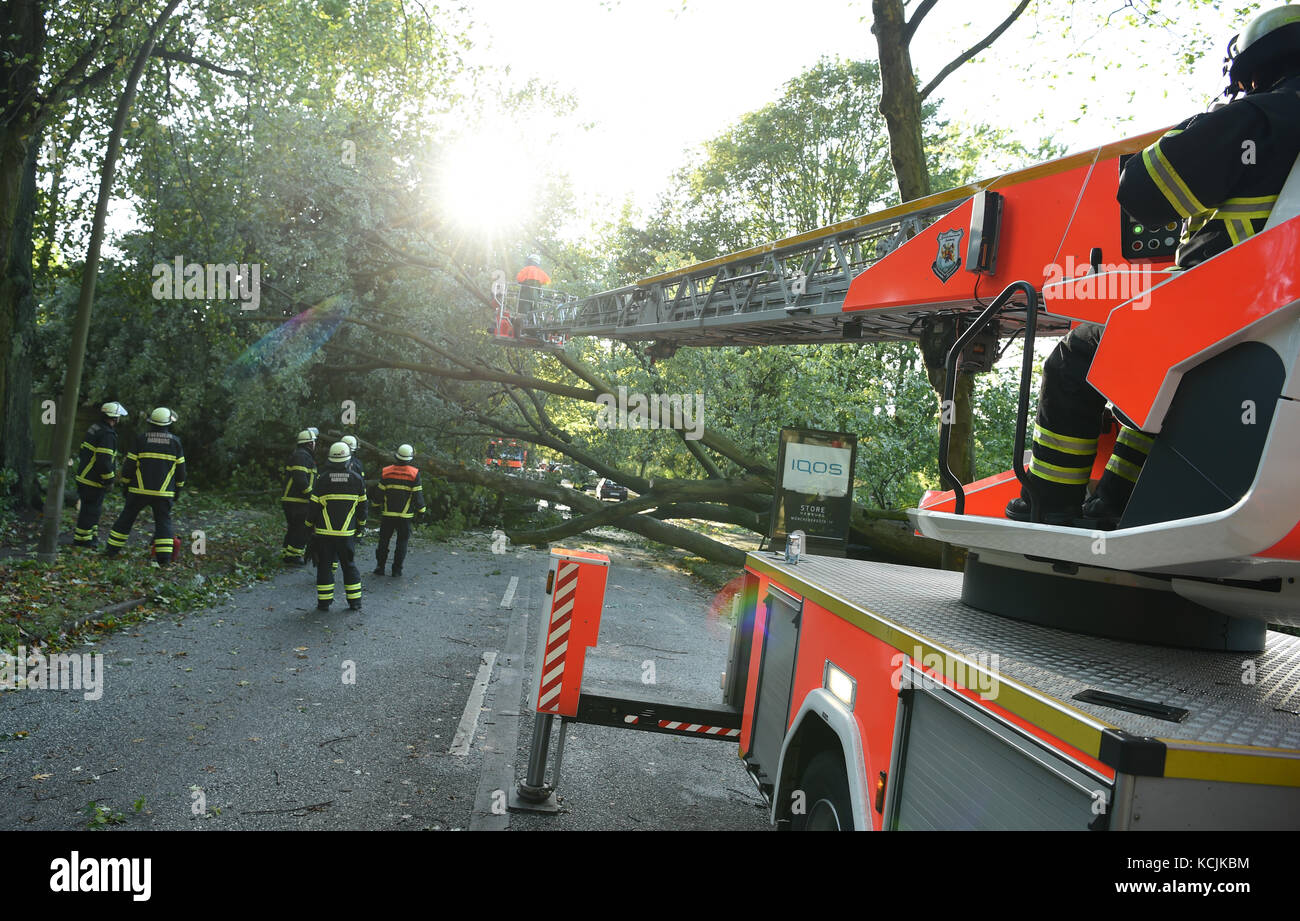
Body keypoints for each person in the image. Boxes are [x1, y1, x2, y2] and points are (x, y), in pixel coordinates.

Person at [1008, 5, 1300, 527]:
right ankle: (1116, 504)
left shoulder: (1259, 117)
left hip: (1228, 314)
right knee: (1155, 380)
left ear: (1256, 64)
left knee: (1074, 361)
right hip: (1271, 335)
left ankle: (1049, 507)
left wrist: (1214, 118)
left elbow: (1141, 189)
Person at [105, 407, 186, 566]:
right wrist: (178, 489)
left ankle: (111, 550)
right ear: (168, 423)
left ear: (151, 423)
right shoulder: (175, 442)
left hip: (138, 491)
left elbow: (129, 466)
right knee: (163, 523)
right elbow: (181, 471)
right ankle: (164, 560)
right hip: (164, 493)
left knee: (126, 519)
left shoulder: (141, 439)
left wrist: (125, 484)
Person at [308, 441, 367, 611]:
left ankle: (324, 603)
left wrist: (308, 526)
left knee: (325, 565)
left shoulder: (322, 479)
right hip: (346, 533)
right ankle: (355, 602)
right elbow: (363, 508)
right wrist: (360, 528)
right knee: (349, 565)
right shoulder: (357, 480)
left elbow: (313, 508)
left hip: (324, 534)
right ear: (349, 461)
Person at [72, 401, 128, 549]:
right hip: (93, 480)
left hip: (84, 476)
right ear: (115, 418)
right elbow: (104, 460)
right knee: (91, 510)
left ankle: (87, 537)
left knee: (88, 510)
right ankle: (85, 541)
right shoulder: (107, 434)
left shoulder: (94, 428)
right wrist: (109, 479)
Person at [373, 444, 425, 577]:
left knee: (384, 540)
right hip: (405, 516)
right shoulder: (414, 473)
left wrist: (375, 505)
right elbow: (417, 495)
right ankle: (397, 570)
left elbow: (379, 492)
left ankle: (380, 567)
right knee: (402, 542)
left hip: (387, 514)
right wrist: (421, 511)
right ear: (410, 458)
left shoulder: (386, 471)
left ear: (396, 456)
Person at [281, 430, 316, 564]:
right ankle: (293, 556)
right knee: (301, 528)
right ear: (310, 443)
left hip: (294, 500)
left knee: (294, 527)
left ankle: (287, 553)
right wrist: (310, 495)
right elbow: (300, 478)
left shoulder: (302, 455)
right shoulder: (302, 456)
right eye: (314, 442)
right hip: (297, 500)